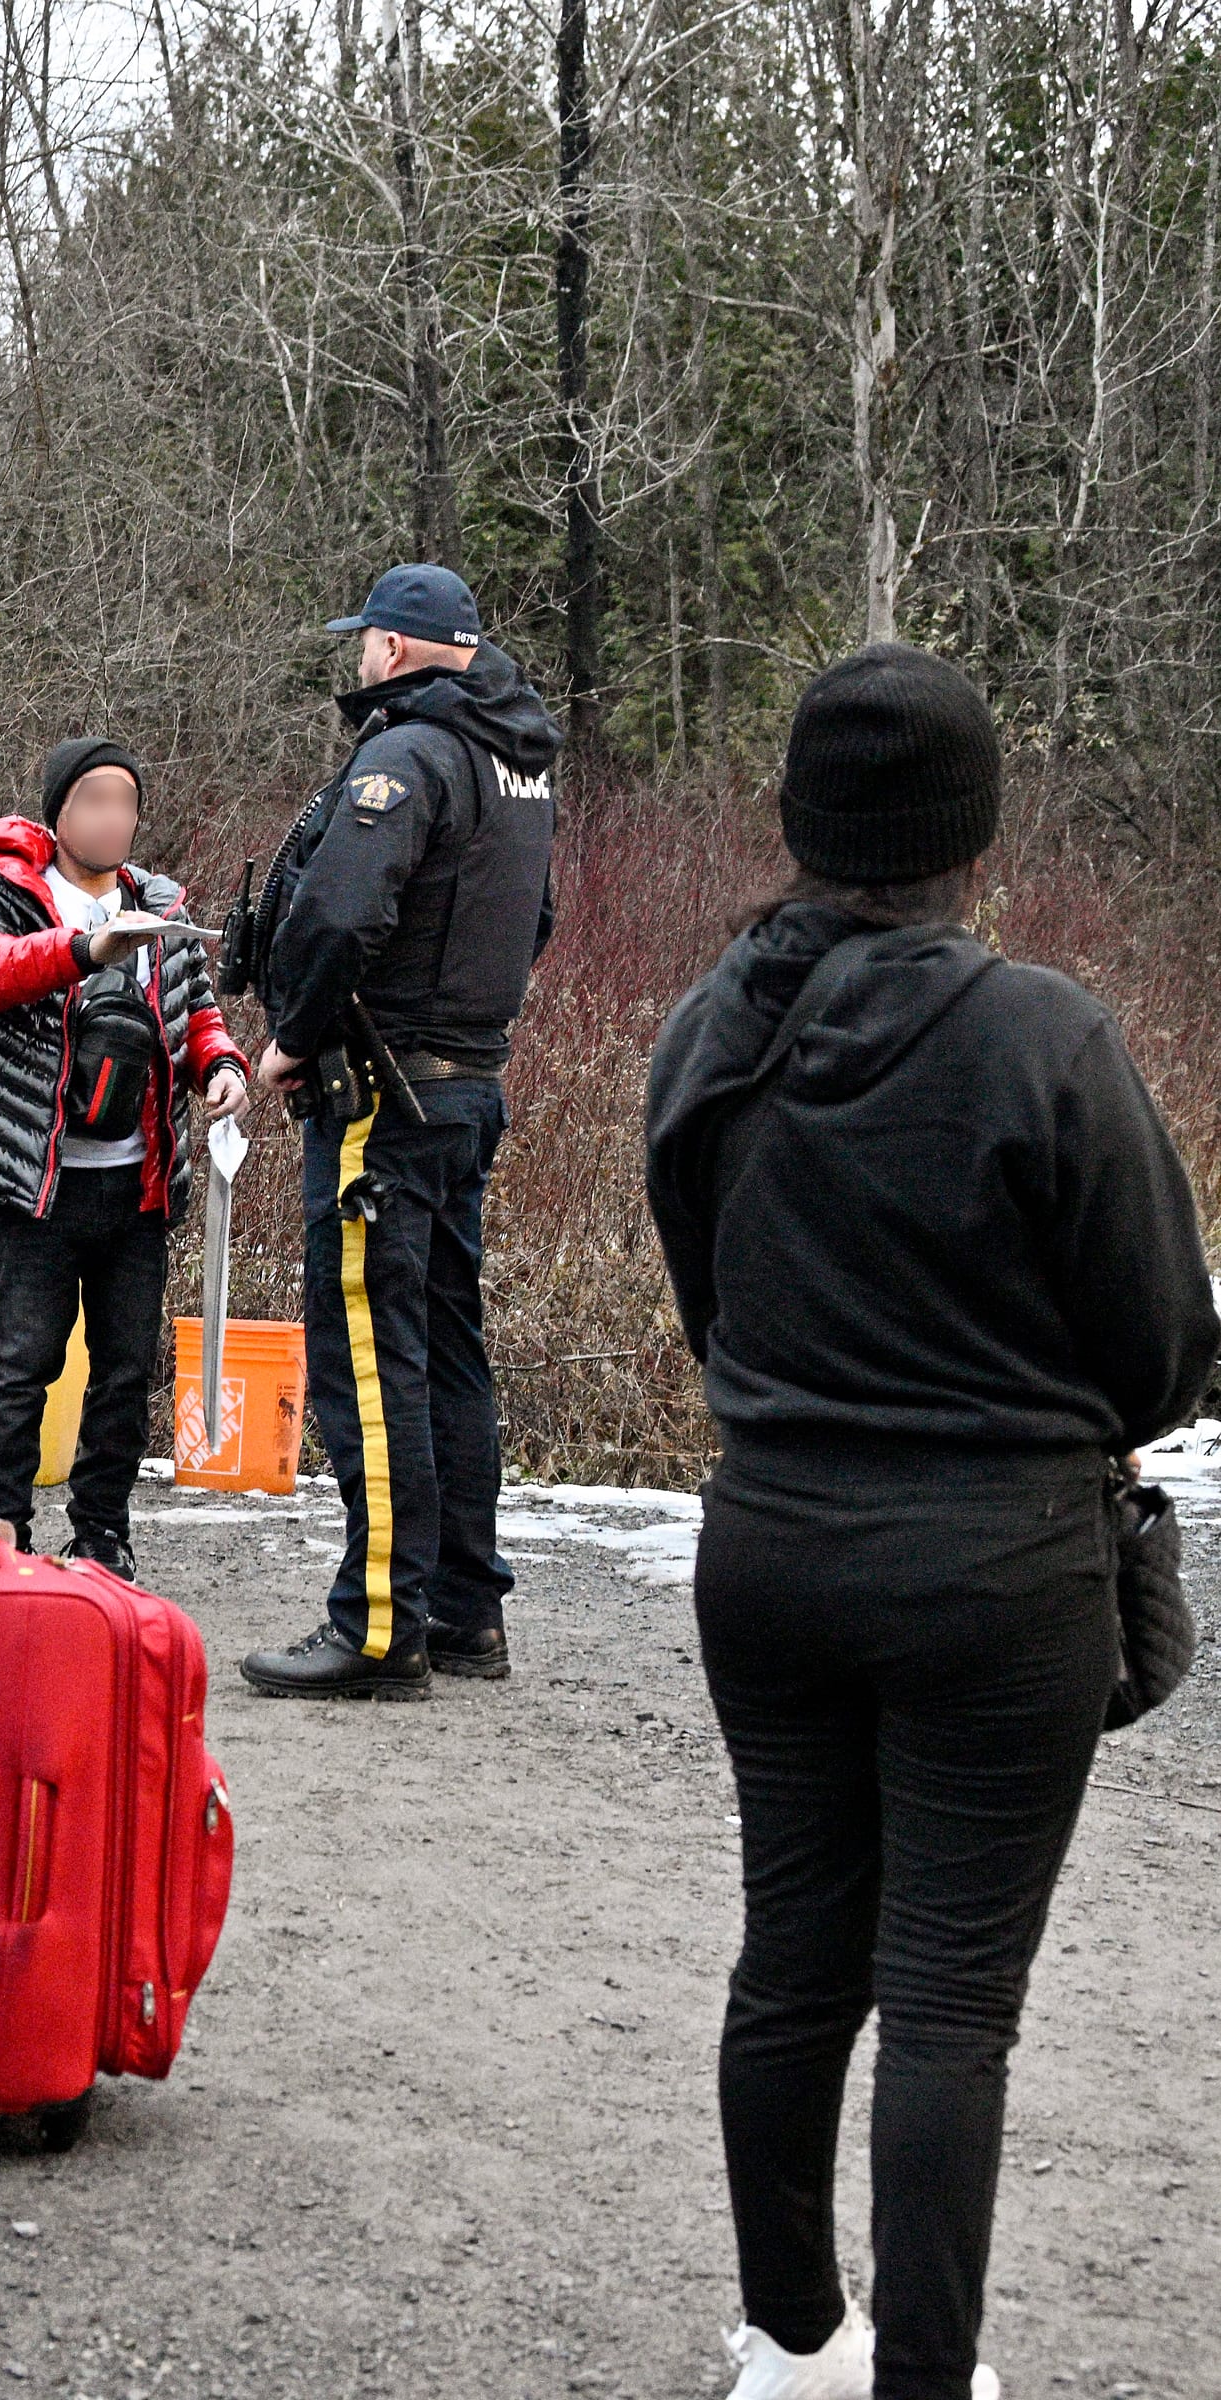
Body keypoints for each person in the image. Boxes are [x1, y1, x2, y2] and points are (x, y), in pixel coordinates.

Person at [645, 645, 1217, 2400]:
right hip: (997, 1572)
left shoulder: (709, 1025)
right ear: (974, 830)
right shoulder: (1046, 1035)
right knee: (952, 1999)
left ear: (800, 819)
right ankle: (922, 2380)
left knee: (795, 1961)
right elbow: (1160, 1360)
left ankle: (789, 2341)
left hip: (774, 1542)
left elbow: (709, 1304)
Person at [237, 565, 562, 1699]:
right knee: (448, 1350)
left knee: (371, 1360)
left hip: (384, 1097)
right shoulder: (518, 761)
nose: (359, 660)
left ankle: (380, 1627)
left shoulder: (409, 756)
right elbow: (539, 924)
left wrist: (292, 1036)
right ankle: (466, 1611)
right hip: (467, 1087)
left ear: (392, 648)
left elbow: (337, 913)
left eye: (364, 641)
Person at [0, 738, 249, 1575]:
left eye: (125, 803)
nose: (113, 818)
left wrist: (221, 1068)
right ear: (59, 814)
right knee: (21, 1363)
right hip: (36, 1183)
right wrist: (85, 950)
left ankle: (104, 1532)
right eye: (95, 801)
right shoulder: (9, 892)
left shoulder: (161, 905)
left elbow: (198, 1014)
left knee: (123, 1371)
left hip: (135, 1185)